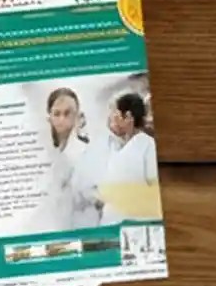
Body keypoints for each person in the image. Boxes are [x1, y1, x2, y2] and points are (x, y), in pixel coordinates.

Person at [96, 92, 159, 225]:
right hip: (111, 224)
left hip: (133, 224)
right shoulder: (117, 148)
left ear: (128, 117)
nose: (113, 119)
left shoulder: (147, 146)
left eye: (116, 115)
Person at [43, 88, 96, 229]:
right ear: (50, 118)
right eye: (57, 114)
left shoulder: (87, 152)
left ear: (78, 116)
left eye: (68, 113)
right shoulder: (48, 155)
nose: (62, 119)